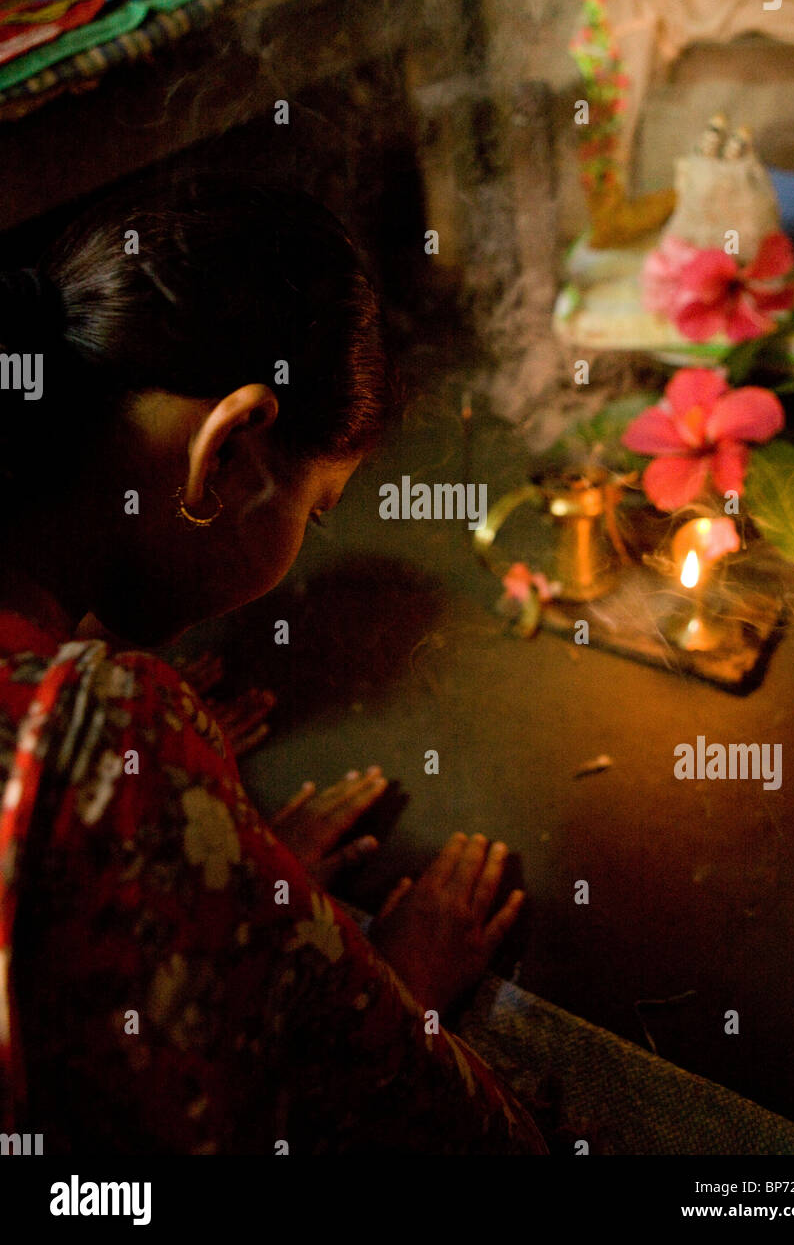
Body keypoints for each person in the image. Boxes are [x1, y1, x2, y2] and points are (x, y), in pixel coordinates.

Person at [0, 173, 546, 1154]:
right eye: (319, 509)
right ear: (233, 450)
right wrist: (375, 990)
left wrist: (209, 884)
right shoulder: (94, 731)